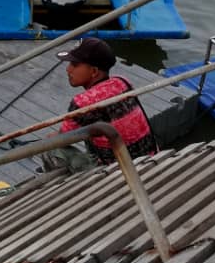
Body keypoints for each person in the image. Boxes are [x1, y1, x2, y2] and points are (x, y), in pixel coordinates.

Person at [51, 37, 157, 168]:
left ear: (94, 72)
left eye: (75, 64)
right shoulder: (122, 82)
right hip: (150, 159)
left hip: (118, 173)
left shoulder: (83, 102)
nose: (68, 69)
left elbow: (61, 140)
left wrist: (51, 138)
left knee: (51, 148)